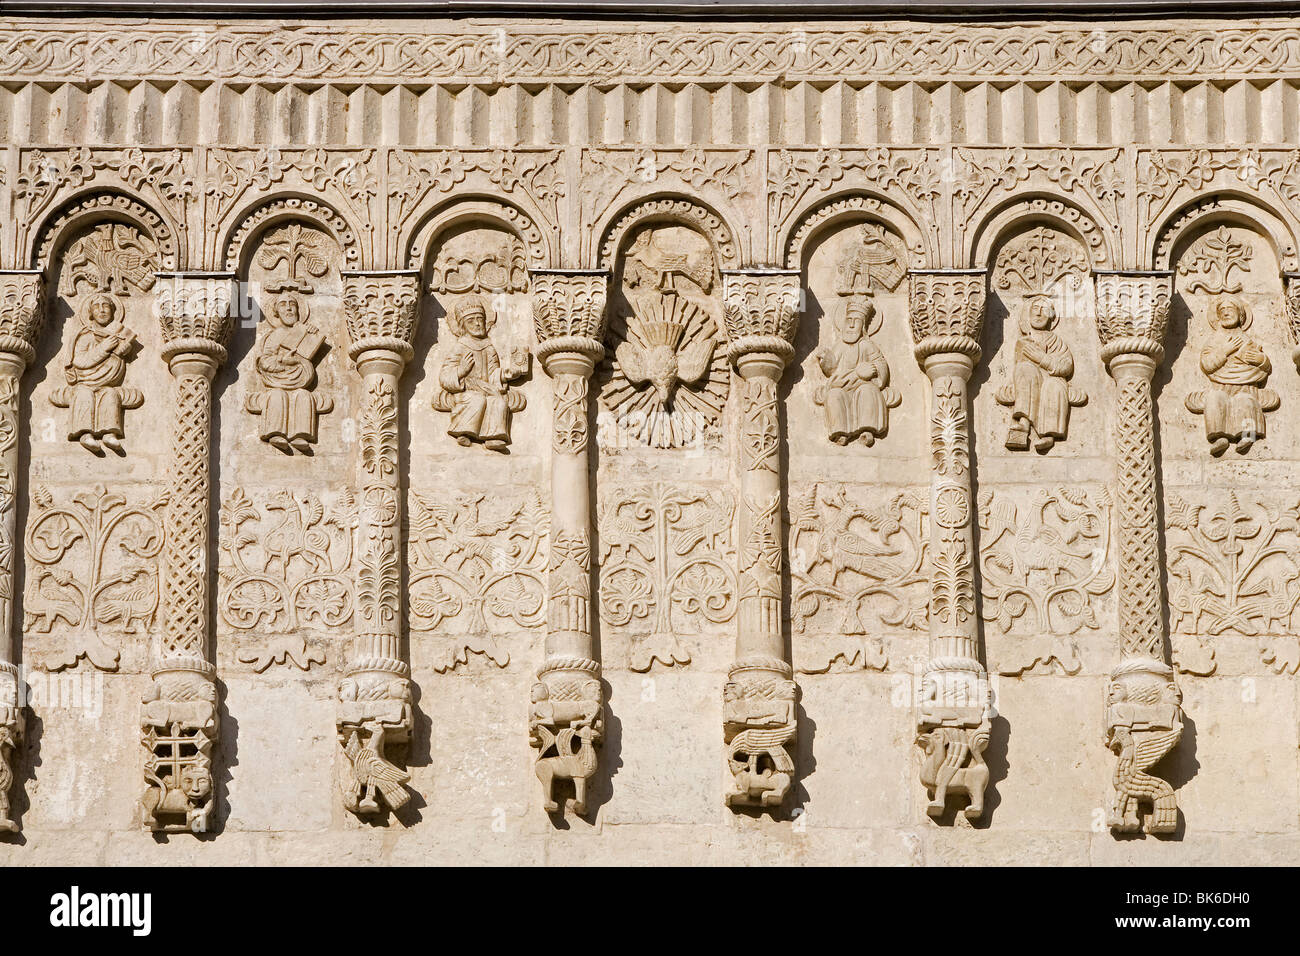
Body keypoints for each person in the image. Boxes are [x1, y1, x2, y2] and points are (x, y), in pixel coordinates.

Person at [1188, 296, 1277, 456]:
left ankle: (1248, 436)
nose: (1226, 313)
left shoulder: (1247, 340)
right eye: (1222, 310)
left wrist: (1261, 360)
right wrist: (1225, 350)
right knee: (1215, 399)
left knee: (1246, 402)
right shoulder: (1214, 340)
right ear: (1217, 317)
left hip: (1246, 386)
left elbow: (1263, 368)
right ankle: (1219, 437)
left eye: (1230, 309)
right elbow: (1207, 364)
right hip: (1221, 385)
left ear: (1241, 315)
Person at [433, 296, 524, 452]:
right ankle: (463, 431)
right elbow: (445, 375)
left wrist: (505, 375)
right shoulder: (460, 347)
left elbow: (492, 372)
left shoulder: (489, 347)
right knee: (477, 399)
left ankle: (493, 436)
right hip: (468, 390)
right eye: (471, 321)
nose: (477, 323)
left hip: (487, 388)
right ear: (462, 326)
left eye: (479, 319)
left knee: (498, 402)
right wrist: (461, 371)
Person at [996, 298, 1084, 453]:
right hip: (1031, 380)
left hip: (1052, 379)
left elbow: (1066, 366)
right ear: (1028, 314)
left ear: (1051, 317)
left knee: (1054, 385)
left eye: (1044, 309)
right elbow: (1018, 365)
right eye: (1035, 308)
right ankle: (1023, 423)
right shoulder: (1023, 341)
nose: (1038, 313)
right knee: (1025, 369)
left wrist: (1043, 359)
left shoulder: (1056, 341)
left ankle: (1049, 434)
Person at [56, 293, 140, 456]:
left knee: (110, 394)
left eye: (106, 306)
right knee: (84, 395)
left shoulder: (118, 334)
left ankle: (109, 434)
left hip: (107, 383)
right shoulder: (86, 335)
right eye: (97, 306)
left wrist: (124, 350)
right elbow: (80, 361)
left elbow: (119, 355)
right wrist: (104, 348)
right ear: (90, 313)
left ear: (113, 311)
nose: (102, 310)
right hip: (86, 381)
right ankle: (85, 434)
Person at [249, 290, 331, 454]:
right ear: (276, 312)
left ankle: (300, 435)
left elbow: (307, 354)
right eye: (283, 305)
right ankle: (275, 432)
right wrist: (282, 361)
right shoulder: (274, 335)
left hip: (300, 377)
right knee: (277, 396)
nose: (288, 309)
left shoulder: (304, 330)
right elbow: (264, 361)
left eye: (292, 304)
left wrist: (310, 337)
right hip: (278, 379)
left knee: (304, 395)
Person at [814, 296, 899, 446]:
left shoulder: (867, 346)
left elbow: (880, 364)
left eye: (857, 321)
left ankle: (867, 429)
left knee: (867, 391)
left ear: (863, 326)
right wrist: (826, 361)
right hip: (842, 384)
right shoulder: (840, 346)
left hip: (862, 384)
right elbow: (832, 369)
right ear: (843, 323)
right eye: (849, 320)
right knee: (834, 394)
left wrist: (872, 370)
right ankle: (840, 431)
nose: (852, 325)